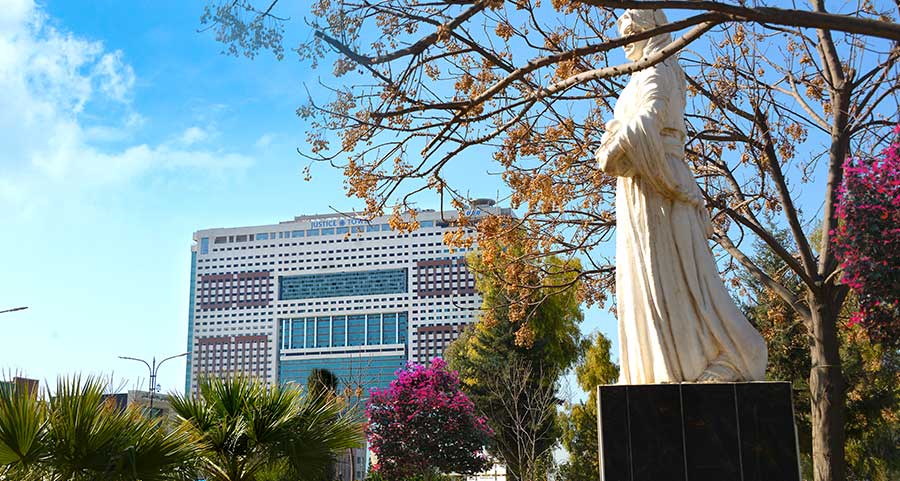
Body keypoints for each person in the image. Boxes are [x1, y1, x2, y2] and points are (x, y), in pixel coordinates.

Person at [595, 9, 767, 384]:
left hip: (660, 185)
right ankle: (662, 368)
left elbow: (650, 119)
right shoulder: (640, 75)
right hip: (640, 187)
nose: (627, 43)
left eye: (632, 34)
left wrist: (612, 148)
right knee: (653, 278)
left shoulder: (660, 70)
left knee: (674, 277)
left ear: (650, 30)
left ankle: (695, 364)